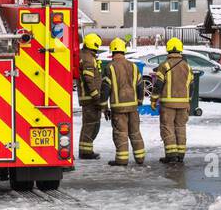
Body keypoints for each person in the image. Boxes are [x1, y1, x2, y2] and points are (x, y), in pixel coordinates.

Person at [151, 37, 194, 164]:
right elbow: (192, 86)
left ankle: (171, 155)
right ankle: (180, 155)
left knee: (167, 127)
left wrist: (153, 100)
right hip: (183, 104)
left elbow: (158, 85)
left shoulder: (164, 66)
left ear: (168, 50)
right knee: (180, 127)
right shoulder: (187, 66)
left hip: (167, 104)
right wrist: (188, 101)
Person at [104, 38, 145, 166]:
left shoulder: (109, 67)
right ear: (124, 51)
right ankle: (140, 158)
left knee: (120, 134)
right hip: (133, 107)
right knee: (135, 132)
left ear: (112, 51)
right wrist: (139, 100)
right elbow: (140, 85)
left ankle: (121, 159)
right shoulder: (133, 66)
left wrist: (104, 106)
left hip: (118, 108)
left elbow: (105, 88)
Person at [76, 32, 105, 160]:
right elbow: (89, 80)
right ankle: (85, 152)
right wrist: (97, 98)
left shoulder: (86, 56)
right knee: (91, 124)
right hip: (90, 99)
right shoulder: (88, 59)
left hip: (88, 98)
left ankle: (86, 150)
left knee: (91, 124)